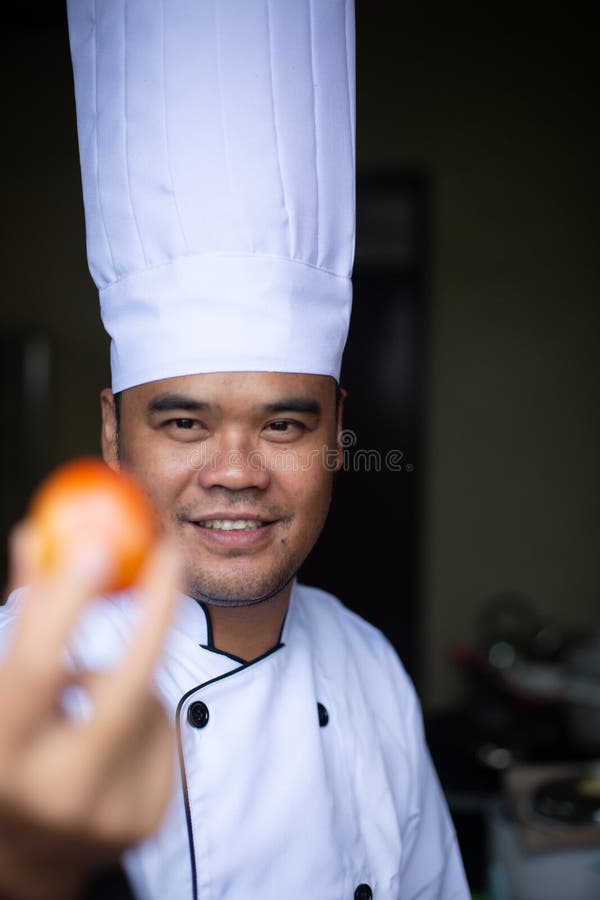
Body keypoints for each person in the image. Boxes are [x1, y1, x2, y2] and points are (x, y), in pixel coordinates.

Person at [0, 1, 470, 898]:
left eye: (284, 424)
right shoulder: (22, 682)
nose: (235, 471)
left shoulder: (368, 666)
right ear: (111, 434)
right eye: (183, 422)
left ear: (338, 432)